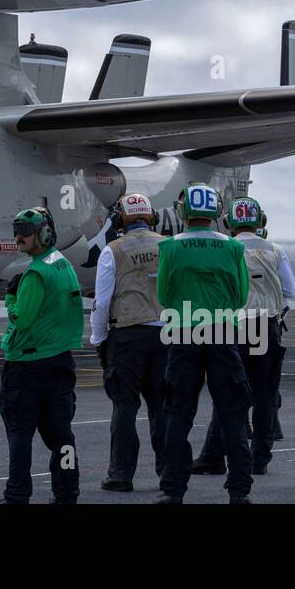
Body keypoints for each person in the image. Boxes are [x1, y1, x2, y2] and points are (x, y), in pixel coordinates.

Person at [154, 182, 253, 504]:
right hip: (223, 332)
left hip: (183, 334)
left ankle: (172, 491)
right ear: (217, 211)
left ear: (183, 210)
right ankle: (239, 492)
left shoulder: (169, 247)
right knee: (232, 414)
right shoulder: (234, 247)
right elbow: (241, 296)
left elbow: (164, 296)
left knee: (178, 416)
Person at [192, 196, 294, 476]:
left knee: (228, 392)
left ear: (228, 223)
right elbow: (290, 291)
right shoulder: (275, 249)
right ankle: (260, 457)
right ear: (261, 221)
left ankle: (214, 455)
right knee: (265, 393)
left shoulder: (225, 249)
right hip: (267, 325)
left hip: (234, 326)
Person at [0, 206, 84, 504]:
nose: (18, 237)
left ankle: (17, 494)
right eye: (17, 231)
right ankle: (67, 491)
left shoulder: (35, 273)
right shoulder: (61, 262)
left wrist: (10, 297)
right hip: (59, 360)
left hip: (27, 366)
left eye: (25, 232)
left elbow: (21, 319)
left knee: (20, 433)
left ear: (44, 233)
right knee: (62, 435)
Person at [91, 192, 167, 491]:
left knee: (124, 406)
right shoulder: (169, 246)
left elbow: (102, 301)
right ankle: (168, 473)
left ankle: (121, 474)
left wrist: (98, 339)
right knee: (162, 407)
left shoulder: (113, 250)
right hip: (166, 333)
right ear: (152, 217)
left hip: (126, 336)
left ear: (120, 219)